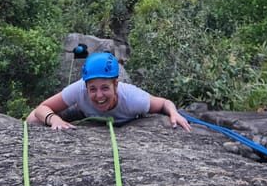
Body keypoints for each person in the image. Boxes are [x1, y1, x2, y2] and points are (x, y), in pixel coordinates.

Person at [27, 51, 191, 131]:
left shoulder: (134, 99)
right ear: (86, 86)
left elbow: (163, 103)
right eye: (92, 89)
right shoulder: (78, 88)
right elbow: (41, 108)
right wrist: (54, 120)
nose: (99, 95)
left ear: (115, 85)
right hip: (84, 112)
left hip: (124, 120)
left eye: (105, 87)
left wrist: (173, 113)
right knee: (33, 120)